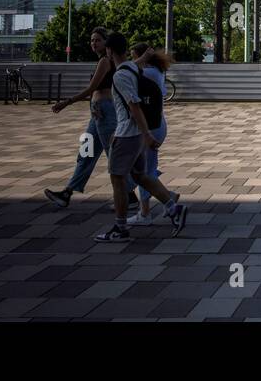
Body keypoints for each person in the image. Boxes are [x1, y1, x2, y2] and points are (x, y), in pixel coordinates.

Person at [95, 32, 187, 243]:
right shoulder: (132, 68)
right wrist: (145, 57)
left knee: (117, 179)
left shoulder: (121, 75)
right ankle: (173, 208)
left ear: (109, 51)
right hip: (136, 135)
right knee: (141, 176)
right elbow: (137, 64)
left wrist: (146, 134)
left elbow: (134, 105)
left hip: (127, 134)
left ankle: (120, 228)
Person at [43, 28, 134, 210]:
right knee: (86, 152)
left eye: (98, 40)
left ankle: (130, 196)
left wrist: (67, 102)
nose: (94, 44)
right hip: (98, 113)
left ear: (106, 43)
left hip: (105, 113)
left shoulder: (105, 62)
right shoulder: (106, 61)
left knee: (112, 155)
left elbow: (91, 89)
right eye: (92, 40)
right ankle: (67, 192)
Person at [124, 42, 180, 227]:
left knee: (143, 172)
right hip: (158, 124)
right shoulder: (156, 71)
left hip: (150, 126)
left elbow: (124, 70)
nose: (133, 60)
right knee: (147, 168)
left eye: (134, 56)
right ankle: (165, 197)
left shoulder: (148, 72)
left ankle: (148, 211)